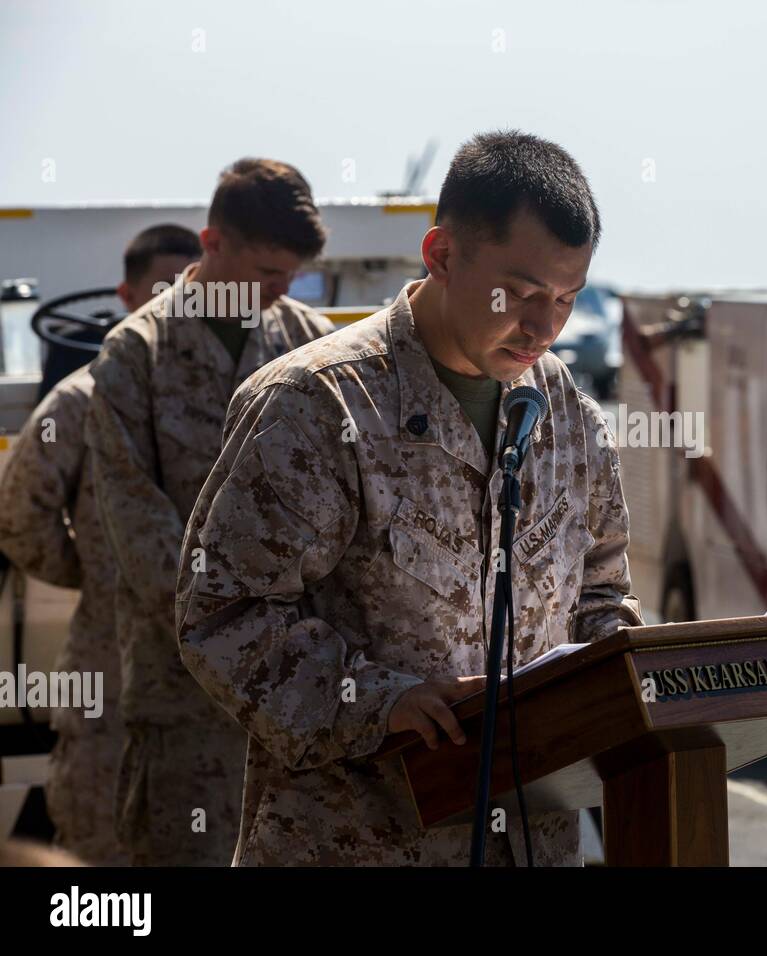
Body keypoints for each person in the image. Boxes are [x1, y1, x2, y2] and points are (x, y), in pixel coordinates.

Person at [175, 130, 641, 866]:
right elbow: (224, 613)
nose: (544, 326)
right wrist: (378, 699)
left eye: (565, 298)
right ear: (442, 255)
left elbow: (604, 594)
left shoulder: (569, 418)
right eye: (517, 294)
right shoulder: (317, 406)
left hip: (532, 840)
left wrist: (626, 669)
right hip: (356, 839)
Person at [87, 159, 334, 866]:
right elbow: (141, 532)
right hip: (184, 701)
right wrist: (240, 639)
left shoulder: (311, 345)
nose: (279, 290)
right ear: (211, 243)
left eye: (290, 275)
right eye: (264, 271)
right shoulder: (136, 356)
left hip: (298, 700)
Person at [0, 224, 201, 865]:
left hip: (207, 698)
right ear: (126, 294)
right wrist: (103, 571)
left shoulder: (240, 396)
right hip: (108, 688)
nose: (176, 304)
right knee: (100, 862)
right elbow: (19, 519)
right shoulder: (82, 399)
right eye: (162, 289)